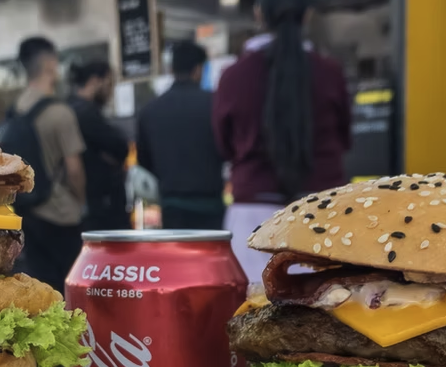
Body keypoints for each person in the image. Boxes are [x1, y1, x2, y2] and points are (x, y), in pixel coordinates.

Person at [213, 0, 351, 283]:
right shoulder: (330, 72)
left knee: (249, 311)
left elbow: (224, 146)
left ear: (258, 13)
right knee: (332, 314)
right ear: (308, 14)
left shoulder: (233, 76)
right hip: (325, 213)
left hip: (252, 216)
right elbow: (344, 138)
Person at [11, 36, 87, 294]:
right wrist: (81, 201)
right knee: (71, 288)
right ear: (51, 65)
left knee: (42, 288)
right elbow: (74, 168)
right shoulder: (60, 112)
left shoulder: (15, 110)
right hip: (61, 213)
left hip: (28, 212)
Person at [137, 41, 226, 230]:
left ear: (172, 69)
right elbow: (228, 147)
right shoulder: (216, 103)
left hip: (171, 208)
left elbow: (143, 161)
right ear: (198, 69)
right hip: (210, 206)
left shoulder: (150, 110)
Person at [68, 61, 130, 231]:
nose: (110, 91)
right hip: (102, 208)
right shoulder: (86, 113)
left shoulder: (69, 108)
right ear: (96, 81)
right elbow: (119, 146)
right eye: (109, 84)